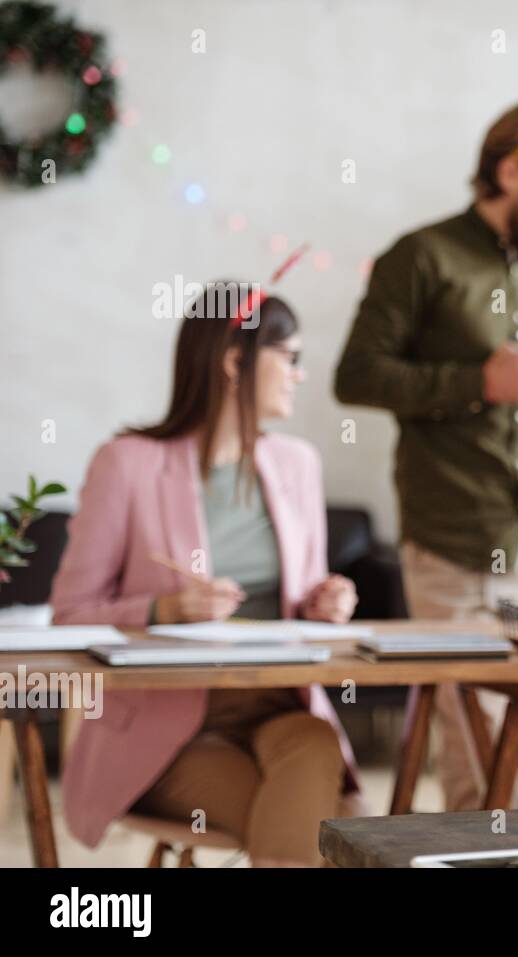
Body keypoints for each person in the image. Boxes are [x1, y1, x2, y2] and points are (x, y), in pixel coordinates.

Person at [333, 97, 518, 811]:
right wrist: (480, 382)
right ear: (510, 171)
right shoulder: (420, 257)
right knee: (473, 753)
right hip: (455, 541)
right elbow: (355, 375)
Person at [51, 282, 363, 866]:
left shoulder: (298, 464)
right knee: (319, 829)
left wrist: (325, 600)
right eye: (290, 358)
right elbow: (71, 613)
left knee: (314, 752)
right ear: (233, 362)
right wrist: (160, 611)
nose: (299, 374)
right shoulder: (127, 464)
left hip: (278, 705)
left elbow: (306, 599)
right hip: (164, 727)